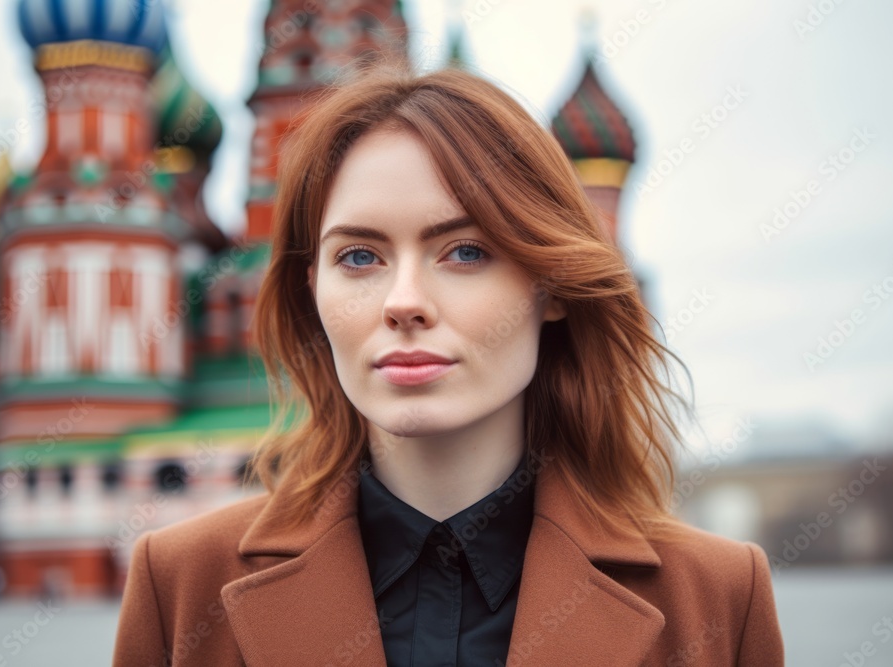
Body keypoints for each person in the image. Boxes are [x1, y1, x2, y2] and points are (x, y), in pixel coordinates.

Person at [112, 59, 784, 666]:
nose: (404, 303)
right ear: (310, 290)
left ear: (549, 285)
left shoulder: (716, 597)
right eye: (359, 256)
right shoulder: (181, 584)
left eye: (464, 251)